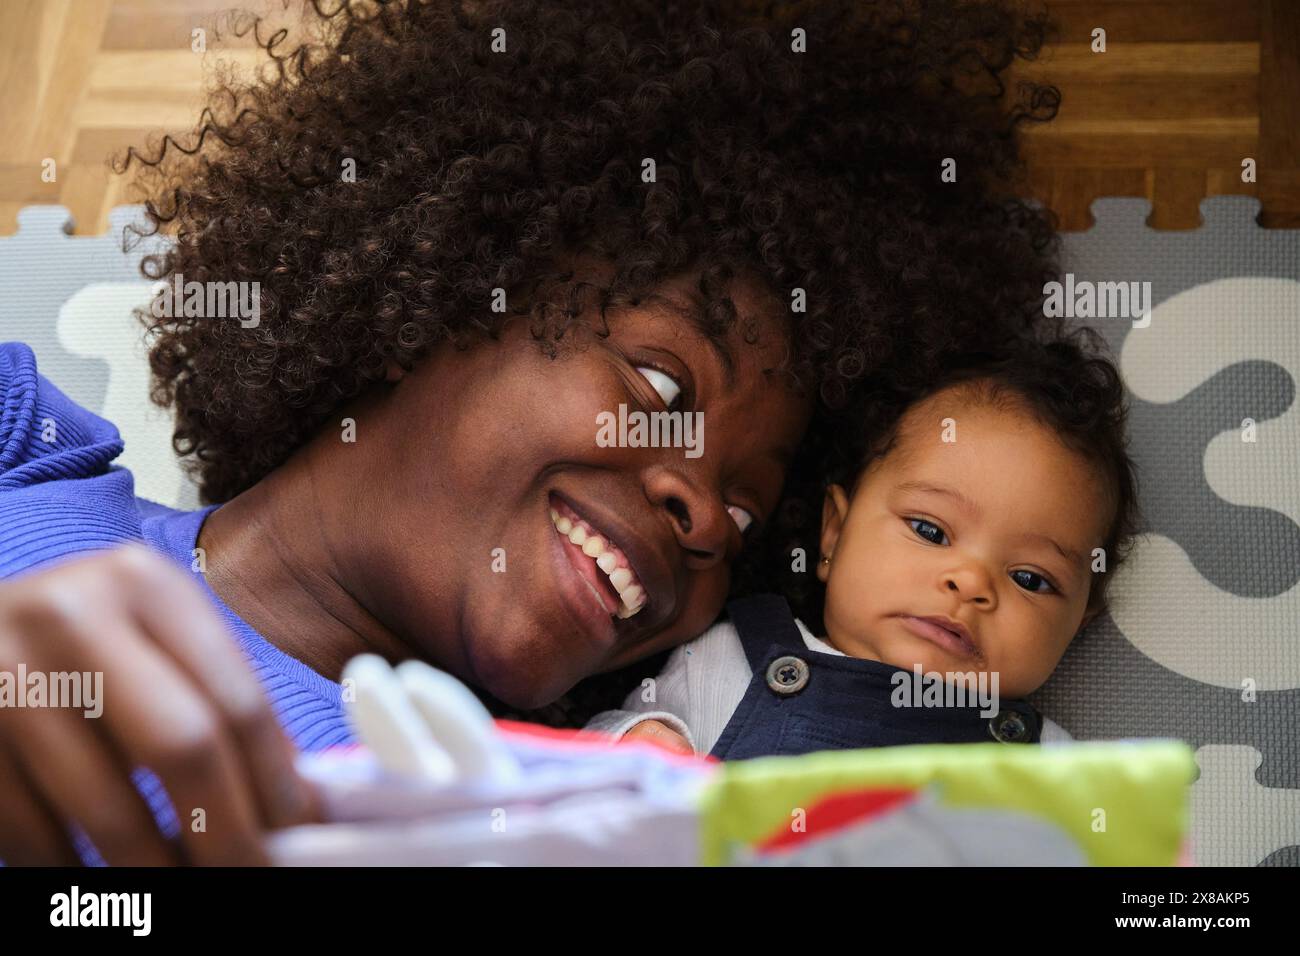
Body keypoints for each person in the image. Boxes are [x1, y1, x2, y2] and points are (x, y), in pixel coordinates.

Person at [0, 0, 1063, 864]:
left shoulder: (519, 831)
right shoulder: (34, 449)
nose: (701, 509)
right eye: (658, 379)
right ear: (437, 294)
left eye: (741, 509)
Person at [589, 331, 1139, 757]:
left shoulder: (1056, 770)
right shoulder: (729, 659)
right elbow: (579, 774)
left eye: (1030, 579)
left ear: (1077, 622)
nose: (971, 584)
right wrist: (639, 740)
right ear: (833, 533)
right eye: (929, 530)